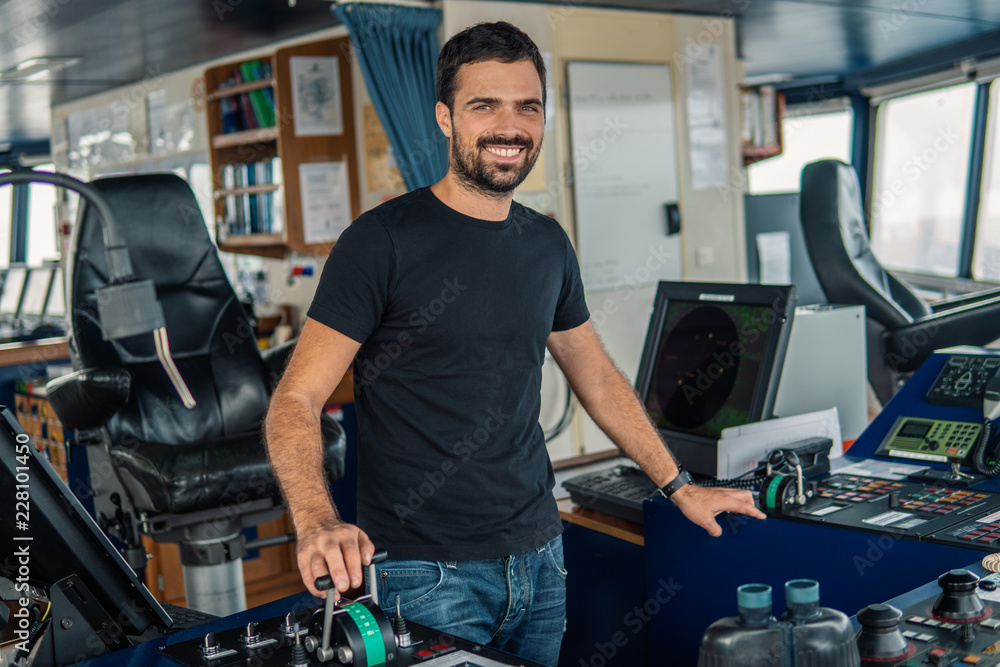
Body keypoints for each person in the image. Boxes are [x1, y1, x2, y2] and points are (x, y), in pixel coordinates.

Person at [264, 20, 765, 666]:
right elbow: (295, 398)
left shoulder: (547, 245)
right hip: (425, 575)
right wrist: (315, 519)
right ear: (446, 118)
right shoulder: (380, 242)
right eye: (485, 105)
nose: (511, 126)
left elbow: (598, 378)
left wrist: (678, 484)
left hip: (540, 559)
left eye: (527, 106)